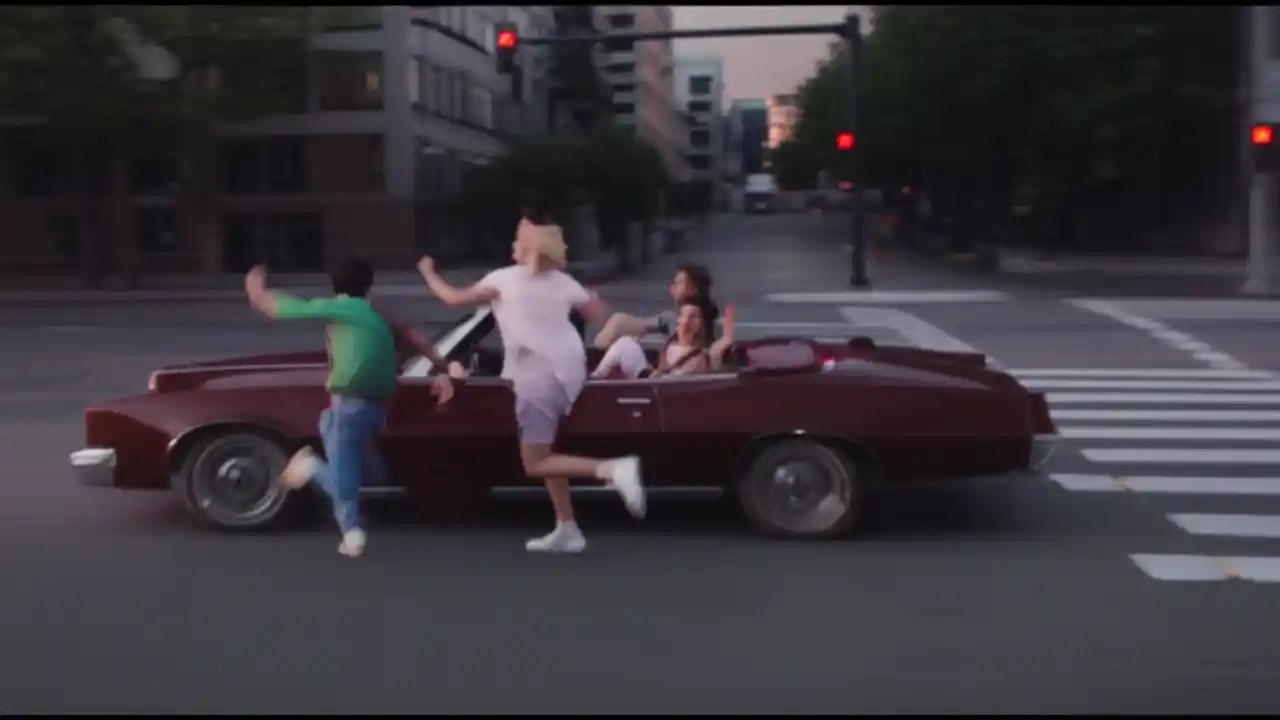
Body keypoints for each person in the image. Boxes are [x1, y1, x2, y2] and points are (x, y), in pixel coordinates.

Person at [416, 218, 646, 553]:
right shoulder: (564, 282)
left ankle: (613, 469)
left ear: (527, 247)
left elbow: (452, 298)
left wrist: (427, 272)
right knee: (546, 450)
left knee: (535, 461)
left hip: (538, 376)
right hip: (568, 369)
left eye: (517, 239)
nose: (512, 244)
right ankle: (567, 527)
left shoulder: (503, 279)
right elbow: (606, 320)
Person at [244, 258, 455, 558]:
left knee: (353, 475)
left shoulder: (342, 308)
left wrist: (257, 290)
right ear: (370, 284)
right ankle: (350, 525)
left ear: (334, 286)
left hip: (354, 403)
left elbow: (287, 308)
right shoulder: (379, 314)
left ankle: (320, 482)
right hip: (374, 404)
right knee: (353, 473)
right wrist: (444, 367)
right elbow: (417, 340)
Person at [592, 299, 736, 380]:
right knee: (626, 342)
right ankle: (594, 380)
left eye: (694, 317)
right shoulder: (672, 342)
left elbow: (677, 382)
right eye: (683, 316)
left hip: (657, 386)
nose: (686, 321)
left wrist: (717, 354)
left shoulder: (699, 357)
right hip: (649, 376)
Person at [591, 263, 718, 350]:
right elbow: (646, 324)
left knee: (620, 328)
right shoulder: (673, 317)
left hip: (678, 367)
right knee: (620, 323)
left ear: (693, 289)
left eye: (678, 283)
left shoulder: (683, 318)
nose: (672, 288)